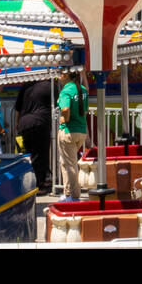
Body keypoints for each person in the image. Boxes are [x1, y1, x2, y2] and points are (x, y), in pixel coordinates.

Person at [57, 67, 88, 201]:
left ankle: (74, 196)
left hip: (68, 131)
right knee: (65, 162)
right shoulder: (83, 90)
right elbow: (85, 109)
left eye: (59, 73)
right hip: (81, 131)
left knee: (70, 164)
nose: (58, 76)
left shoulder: (66, 91)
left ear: (65, 75)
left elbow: (65, 108)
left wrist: (65, 118)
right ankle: (68, 192)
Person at [15, 78, 53, 190]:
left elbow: (18, 107)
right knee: (41, 155)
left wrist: (17, 124)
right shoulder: (49, 85)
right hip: (41, 123)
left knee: (29, 155)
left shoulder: (25, 85)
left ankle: (29, 182)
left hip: (24, 123)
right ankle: (38, 184)